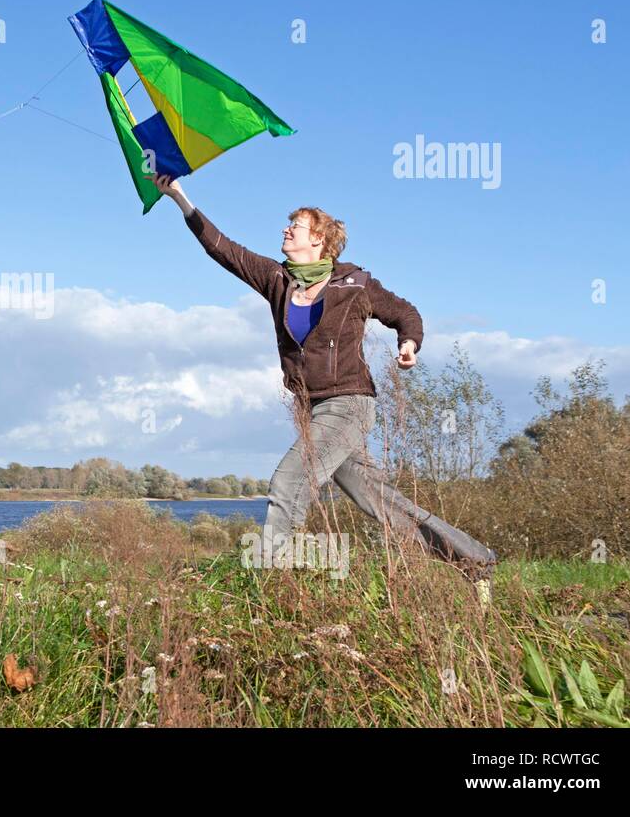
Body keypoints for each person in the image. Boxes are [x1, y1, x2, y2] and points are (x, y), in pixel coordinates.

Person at [151, 174, 497, 605]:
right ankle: (473, 562)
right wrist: (180, 198)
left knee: (289, 480)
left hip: (350, 404)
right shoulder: (277, 280)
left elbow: (405, 312)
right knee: (380, 501)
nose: (284, 230)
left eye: (293, 226)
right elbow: (222, 248)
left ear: (318, 239)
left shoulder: (354, 285)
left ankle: (273, 591)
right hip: (313, 409)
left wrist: (409, 344)